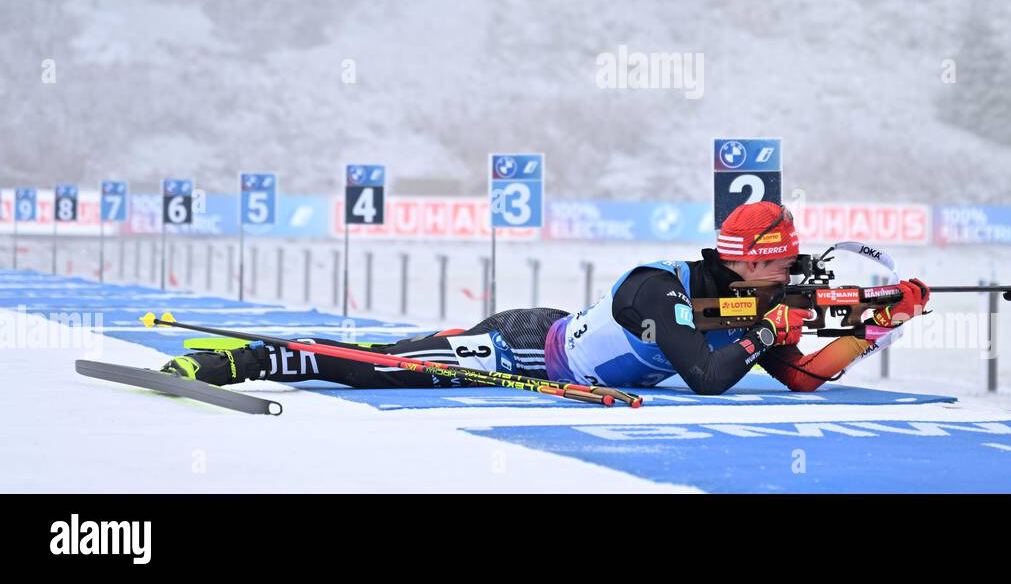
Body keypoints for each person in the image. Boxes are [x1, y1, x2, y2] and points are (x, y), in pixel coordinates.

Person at [161, 201, 930, 395]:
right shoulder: (657, 288)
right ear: (754, 265)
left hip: (557, 351)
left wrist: (877, 326)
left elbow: (801, 376)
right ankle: (236, 358)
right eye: (786, 263)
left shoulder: (754, 303)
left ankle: (246, 355)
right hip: (522, 346)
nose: (795, 270)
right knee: (384, 365)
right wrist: (774, 330)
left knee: (391, 360)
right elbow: (707, 373)